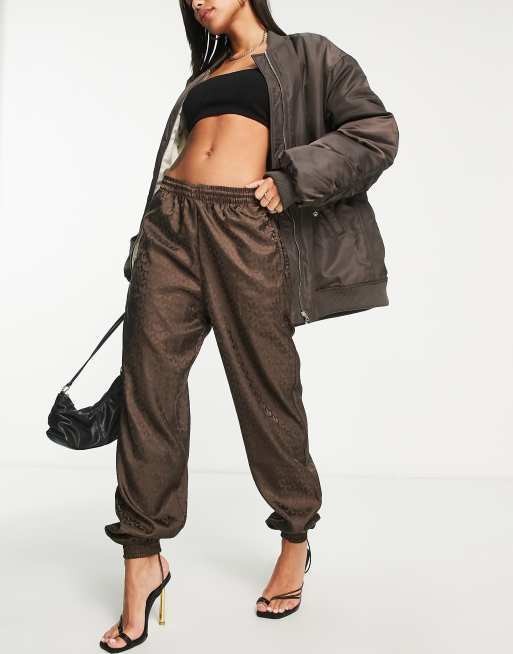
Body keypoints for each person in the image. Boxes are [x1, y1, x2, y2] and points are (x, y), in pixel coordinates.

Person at [100, 0, 399, 649]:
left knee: (266, 388)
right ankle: (142, 557)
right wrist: (151, 226)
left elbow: (376, 133)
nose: (197, 0)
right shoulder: (204, 75)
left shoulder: (308, 55)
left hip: (247, 229)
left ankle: (295, 535)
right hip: (171, 227)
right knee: (147, 391)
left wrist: (291, 181)